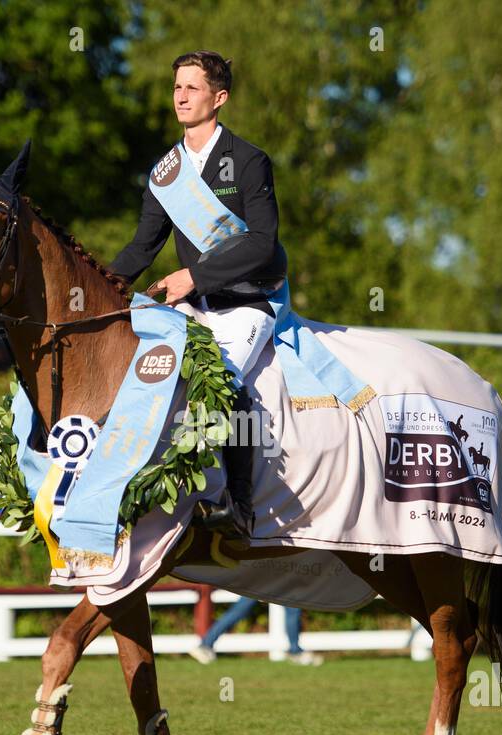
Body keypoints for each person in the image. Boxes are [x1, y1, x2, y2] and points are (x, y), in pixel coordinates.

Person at [109, 50, 288, 541]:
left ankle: (239, 502)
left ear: (219, 97)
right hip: (192, 304)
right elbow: (142, 246)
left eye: (192, 87)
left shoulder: (250, 161)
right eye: (176, 88)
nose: (181, 96)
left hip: (248, 303)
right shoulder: (165, 171)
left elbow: (261, 243)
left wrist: (194, 276)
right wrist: (98, 287)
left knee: (221, 377)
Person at [189, 596, 322, 666]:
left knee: (239, 610)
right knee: (293, 608)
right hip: (274, 571)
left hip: (262, 570)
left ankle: (206, 644)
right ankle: (295, 652)